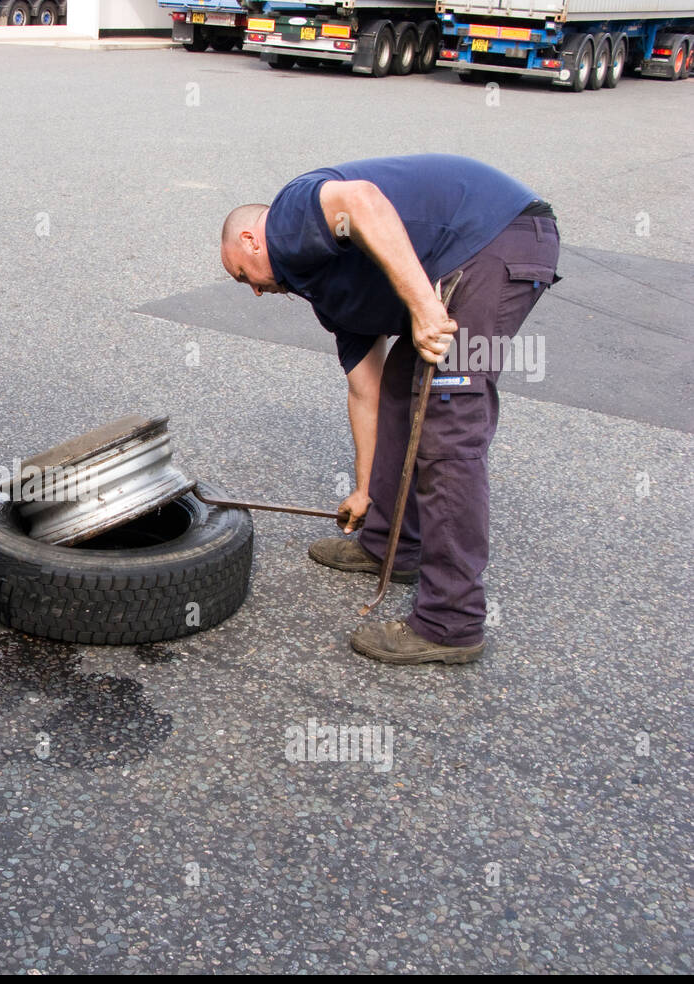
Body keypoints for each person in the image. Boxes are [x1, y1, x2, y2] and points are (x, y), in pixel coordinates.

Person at [220, 155, 559, 665]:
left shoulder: (289, 219)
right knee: (402, 390)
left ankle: (452, 623)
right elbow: (367, 392)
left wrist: (424, 309)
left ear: (250, 239)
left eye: (243, 274)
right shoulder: (330, 292)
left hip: (494, 240)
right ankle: (390, 545)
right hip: (474, 254)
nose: (254, 290)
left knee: (448, 419)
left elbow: (361, 201)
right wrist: (363, 489)